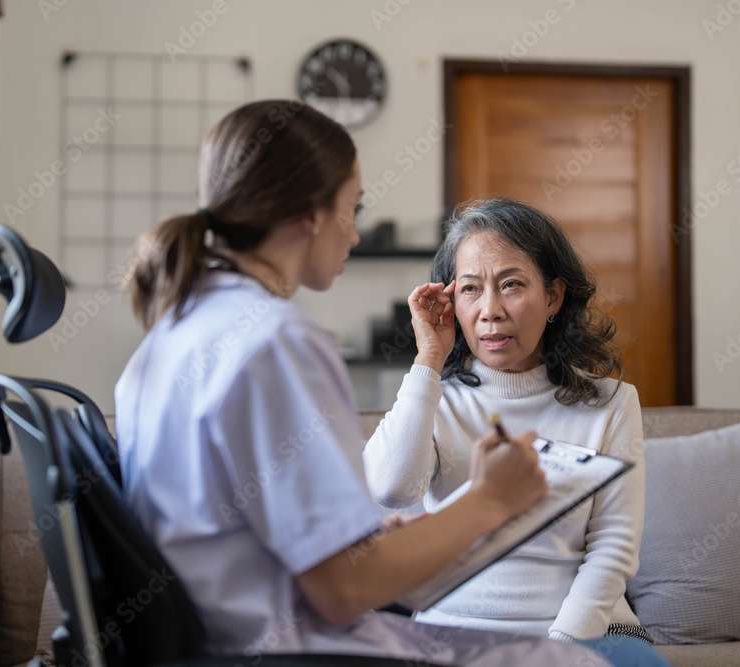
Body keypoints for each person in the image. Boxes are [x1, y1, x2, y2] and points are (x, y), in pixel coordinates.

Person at [115, 100, 667, 666]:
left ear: (554, 295)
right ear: (309, 213)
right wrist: (489, 500)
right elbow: (345, 587)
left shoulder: (170, 336)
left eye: (512, 286)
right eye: (351, 208)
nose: (354, 234)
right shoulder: (279, 342)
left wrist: (386, 543)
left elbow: (287, 542)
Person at [363, 198, 650, 646]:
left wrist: (558, 651)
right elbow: (391, 491)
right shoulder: (432, 398)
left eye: (512, 285)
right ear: (450, 300)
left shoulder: (612, 403)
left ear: (553, 295)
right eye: (471, 289)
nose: (490, 310)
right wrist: (428, 360)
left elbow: (612, 552)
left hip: (578, 635)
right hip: (452, 633)